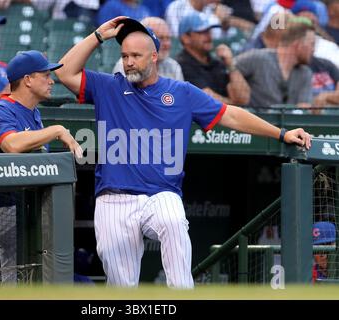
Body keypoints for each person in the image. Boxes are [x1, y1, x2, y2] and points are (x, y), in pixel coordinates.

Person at [55, 16, 312, 288]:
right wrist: (97, 36)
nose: (129, 61)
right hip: (114, 197)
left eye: (136, 55)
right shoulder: (109, 86)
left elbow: (231, 116)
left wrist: (281, 133)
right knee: (121, 286)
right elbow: (63, 72)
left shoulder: (181, 92)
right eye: (125, 55)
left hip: (161, 193)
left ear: (154, 56)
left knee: (174, 221)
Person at [0, 50, 82, 283]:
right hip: (4, 208)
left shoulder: (33, 112)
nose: (51, 80)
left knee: (30, 269)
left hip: (29, 205)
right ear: (27, 80)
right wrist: (56, 130)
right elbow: (11, 145)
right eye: (45, 75)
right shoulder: (1, 109)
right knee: (17, 266)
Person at [234, 17, 315, 110]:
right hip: (253, 122)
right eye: (312, 44)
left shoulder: (305, 73)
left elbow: (303, 110)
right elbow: (225, 70)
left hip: (288, 123)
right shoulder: (258, 58)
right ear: (298, 45)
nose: (313, 50)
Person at [176, 12, 250, 105]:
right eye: (202, 32)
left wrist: (230, 65)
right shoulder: (182, 64)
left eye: (209, 31)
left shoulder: (217, 63)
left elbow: (243, 99)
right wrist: (234, 106)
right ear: (186, 38)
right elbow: (206, 98)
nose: (208, 36)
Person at [112, 17, 184, 81]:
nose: (166, 44)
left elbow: (180, 95)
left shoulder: (173, 66)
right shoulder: (125, 66)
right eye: (161, 38)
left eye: (168, 38)